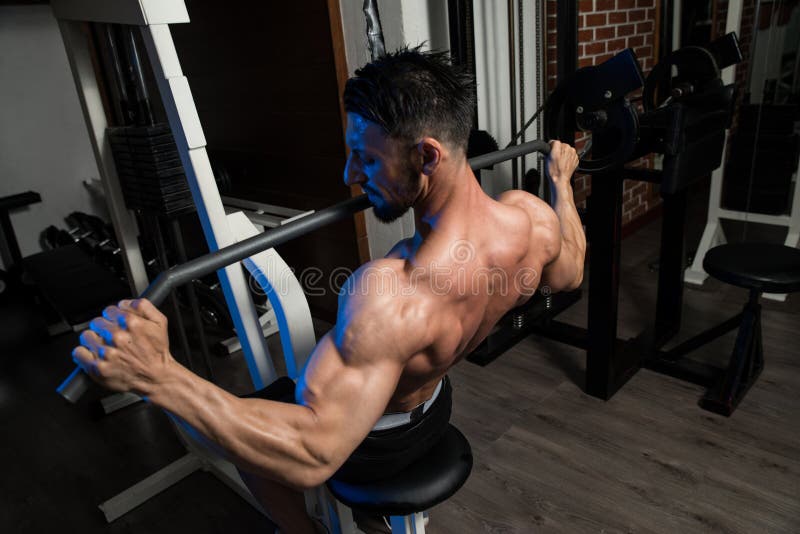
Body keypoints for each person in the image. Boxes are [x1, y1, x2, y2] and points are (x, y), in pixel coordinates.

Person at [72, 47, 585, 533]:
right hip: (435, 409)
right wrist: (561, 184)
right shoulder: (532, 219)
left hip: (378, 446)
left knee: (248, 425)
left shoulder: (391, 297)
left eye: (367, 159)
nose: (350, 174)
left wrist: (158, 375)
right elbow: (570, 275)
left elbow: (314, 453)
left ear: (428, 157)